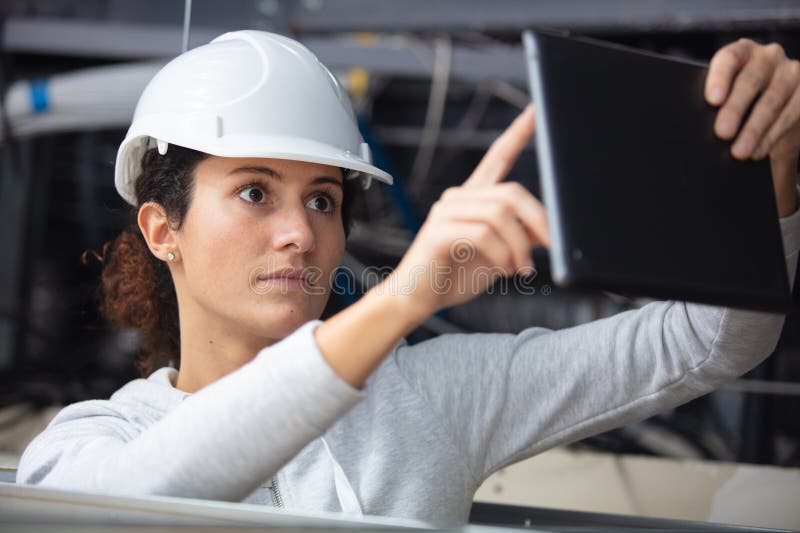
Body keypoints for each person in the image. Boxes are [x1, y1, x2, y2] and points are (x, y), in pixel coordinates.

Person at [15, 30, 800, 525]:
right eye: (255, 191)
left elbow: (712, 340)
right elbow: (132, 504)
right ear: (163, 230)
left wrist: (764, 176)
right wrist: (405, 294)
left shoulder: (430, 398)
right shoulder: (92, 443)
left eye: (323, 198)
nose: (301, 232)